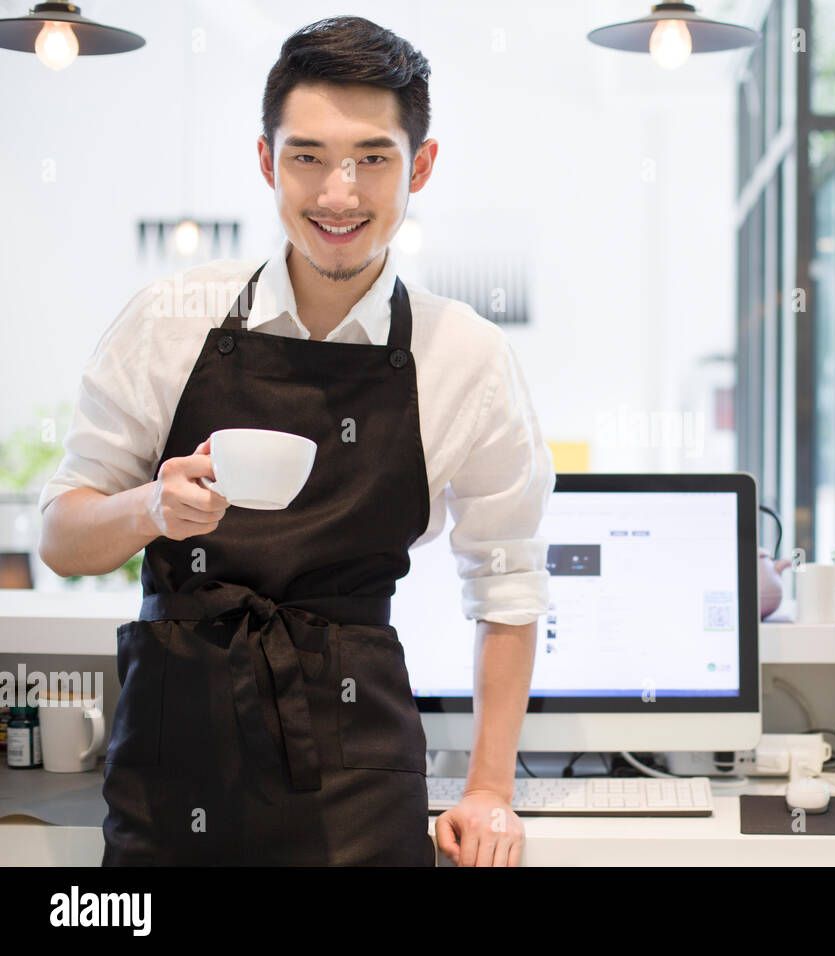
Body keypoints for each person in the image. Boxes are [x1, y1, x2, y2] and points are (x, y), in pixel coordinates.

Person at [38, 15, 552, 867]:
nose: (338, 194)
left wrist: (490, 790)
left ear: (419, 166)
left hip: (358, 783)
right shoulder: (171, 322)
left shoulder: (464, 357)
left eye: (373, 159)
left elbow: (510, 587)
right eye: (307, 156)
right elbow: (60, 536)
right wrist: (150, 510)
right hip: (173, 771)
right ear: (266, 160)